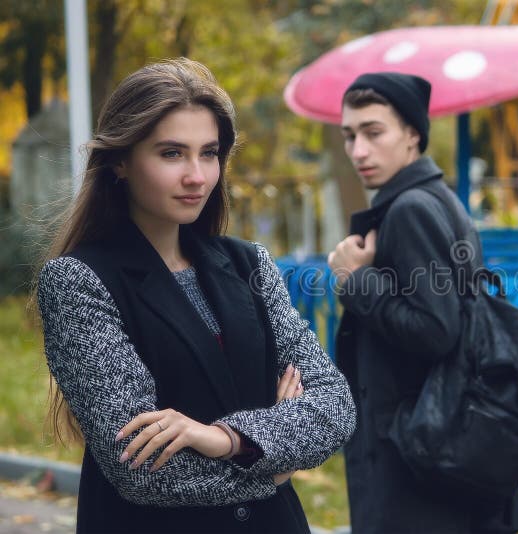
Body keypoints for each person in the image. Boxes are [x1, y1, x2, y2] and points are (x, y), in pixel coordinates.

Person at [36, 58, 355, 534]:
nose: (198, 176)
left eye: (209, 153)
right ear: (120, 161)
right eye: (171, 154)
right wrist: (275, 463)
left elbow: (335, 406)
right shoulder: (78, 281)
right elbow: (141, 469)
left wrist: (226, 439)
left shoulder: (250, 264)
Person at [327, 72, 518, 533]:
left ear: (413, 134)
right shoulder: (437, 199)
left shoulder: (411, 209)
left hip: (415, 467)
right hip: (440, 453)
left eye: (374, 133)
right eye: (350, 136)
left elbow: (436, 330)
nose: (359, 150)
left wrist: (356, 280)